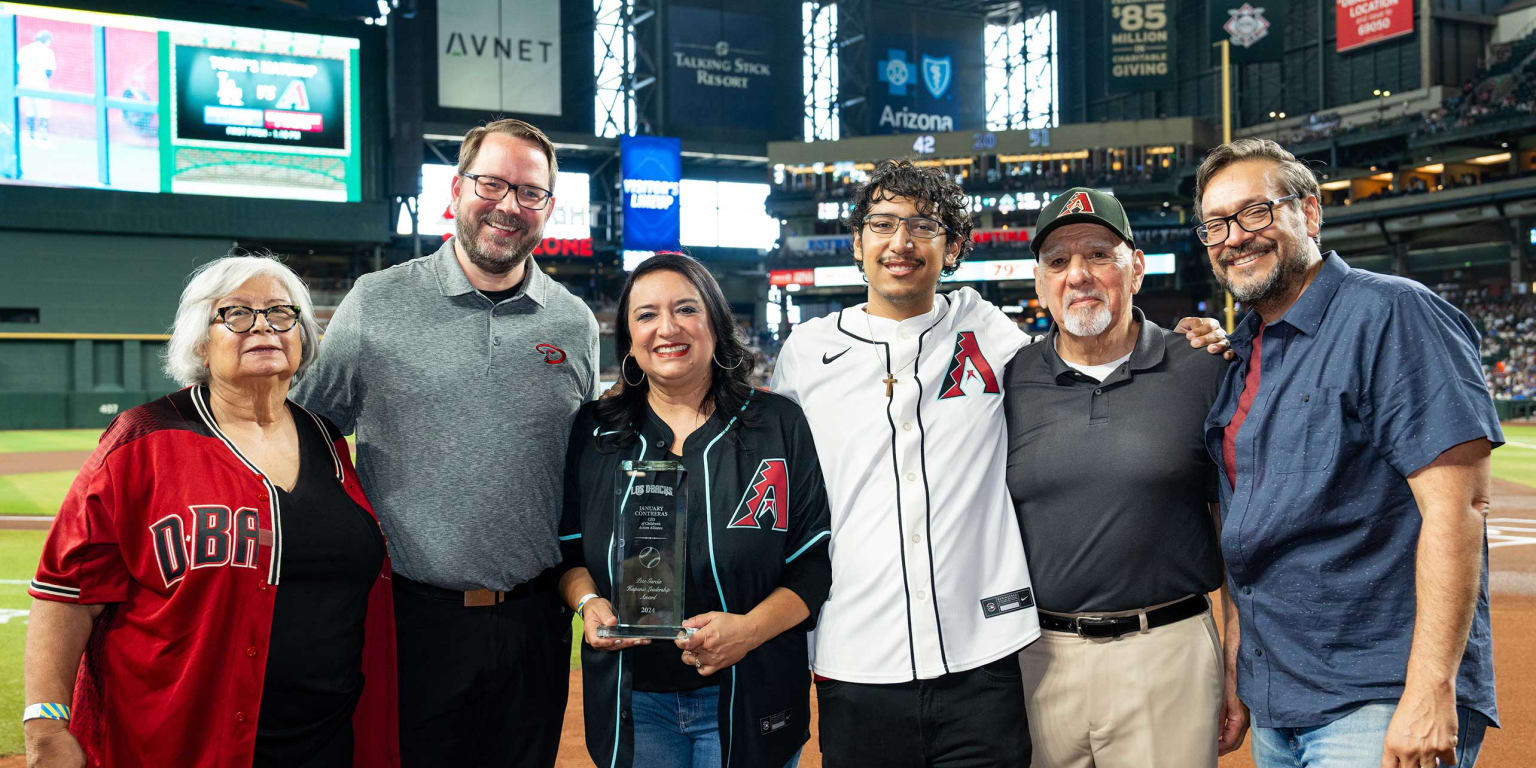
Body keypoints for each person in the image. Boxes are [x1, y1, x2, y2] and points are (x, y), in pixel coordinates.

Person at [770, 160, 1229, 768]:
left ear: (954, 246)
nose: (900, 243)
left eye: (923, 226)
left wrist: (1196, 336)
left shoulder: (989, 333)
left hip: (989, 660)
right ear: (857, 242)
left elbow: (1097, 343)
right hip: (858, 657)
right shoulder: (805, 355)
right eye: (881, 224)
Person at [292, 118, 599, 767]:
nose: (509, 205)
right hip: (412, 621)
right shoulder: (377, 302)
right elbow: (303, 434)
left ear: (548, 208)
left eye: (530, 192)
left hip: (537, 622)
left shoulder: (573, 322)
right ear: (456, 190)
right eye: (492, 183)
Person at [1193, 138, 1502, 768]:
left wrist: (1431, 687)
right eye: (1216, 224)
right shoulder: (1244, 348)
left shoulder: (1392, 313)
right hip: (1282, 699)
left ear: (1308, 213)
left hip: (1378, 695)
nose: (1233, 237)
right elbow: (1247, 532)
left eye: (1255, 213)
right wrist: (1238, 664)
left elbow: (1459, 508)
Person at [24, 255, 398, 768]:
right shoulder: (143, 439)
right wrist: (46, 723)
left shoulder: (327, 440)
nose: (263, 325)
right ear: (201, 340)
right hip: (179, 740)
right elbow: (67, 593)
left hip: (325, 738)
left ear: (303, 336)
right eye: (237, 313)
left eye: (280, 313)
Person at [558, 253, 832, 768]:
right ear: (629, 340)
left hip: (752, 688)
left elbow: (815, 562)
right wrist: (589, 604)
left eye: (685, 309)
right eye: (646, 315)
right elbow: (568, 553)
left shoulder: (777, 423)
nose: (667, 328)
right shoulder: (595, 433)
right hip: (635, 702)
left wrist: (746, 631)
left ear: (715, 324)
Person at [1002, 187, 1245, 768]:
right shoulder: (1006, 379)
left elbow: (1238, 529)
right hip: (1036, 658)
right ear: (1040, 282)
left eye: (1099, 255)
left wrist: (1238, 660)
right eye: (1058, 261)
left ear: (1136, 267)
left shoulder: (1202, 364)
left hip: (1167, 654)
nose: (1078, 274)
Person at [17, 30, 55, 144]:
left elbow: (18, 66)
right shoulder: (48, 51)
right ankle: (43, 135)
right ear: (47, 40)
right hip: (40, 84)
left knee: (30, 109)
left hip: (26, 83)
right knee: (44, 109)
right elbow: (49, 71)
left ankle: (30, 134)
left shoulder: (24, 49)